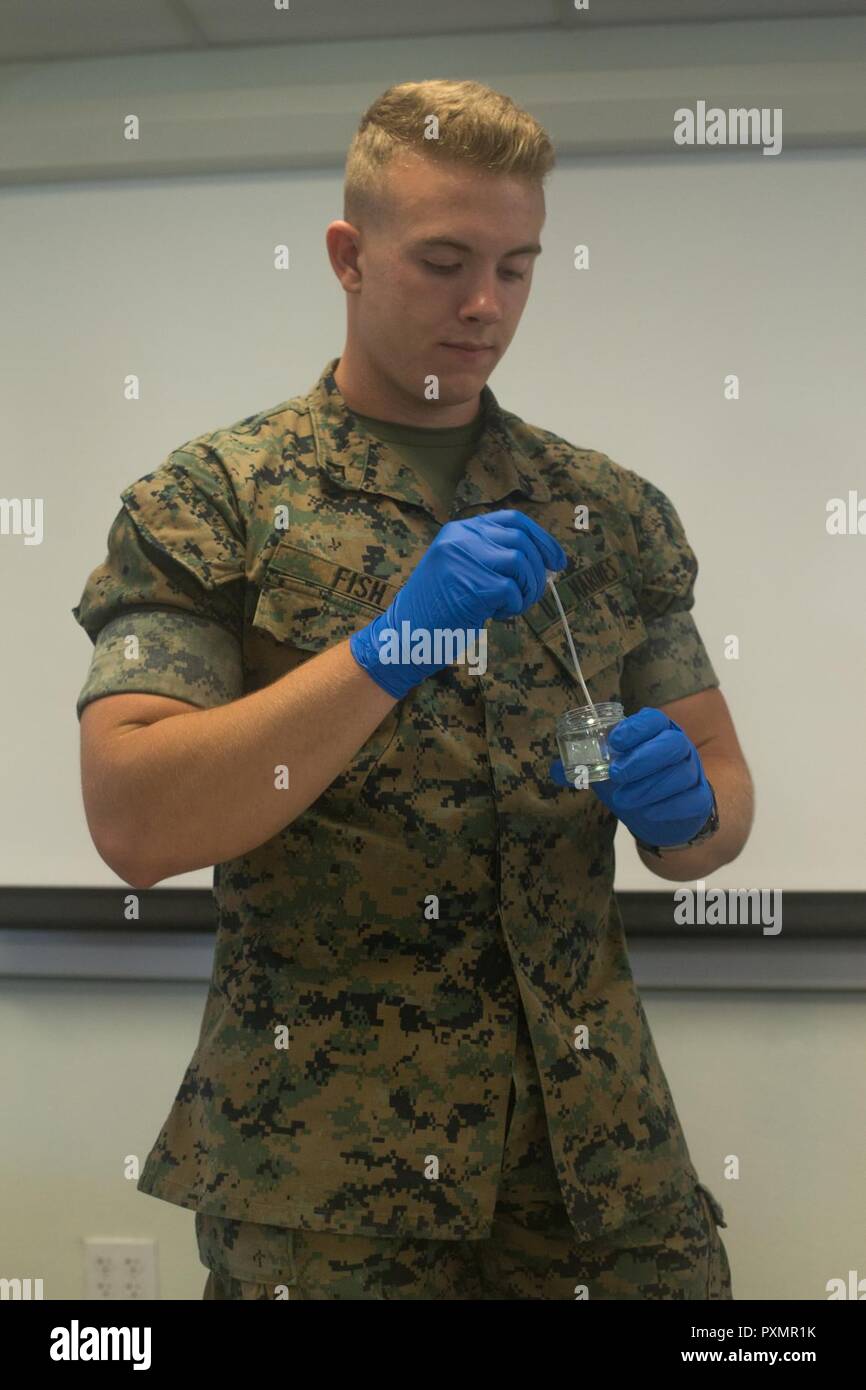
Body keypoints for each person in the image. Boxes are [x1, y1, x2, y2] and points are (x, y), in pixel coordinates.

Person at [72, 79, 753, 1300]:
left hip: (597, 1162)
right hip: (327, 1182)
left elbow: (720, 791)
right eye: (443, 262)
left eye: (516, 266)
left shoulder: (605, 509)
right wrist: (383, 649)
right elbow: (133, 819)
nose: (484, 305)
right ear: (348, 254)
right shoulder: (212, 502)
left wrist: (686, 811)